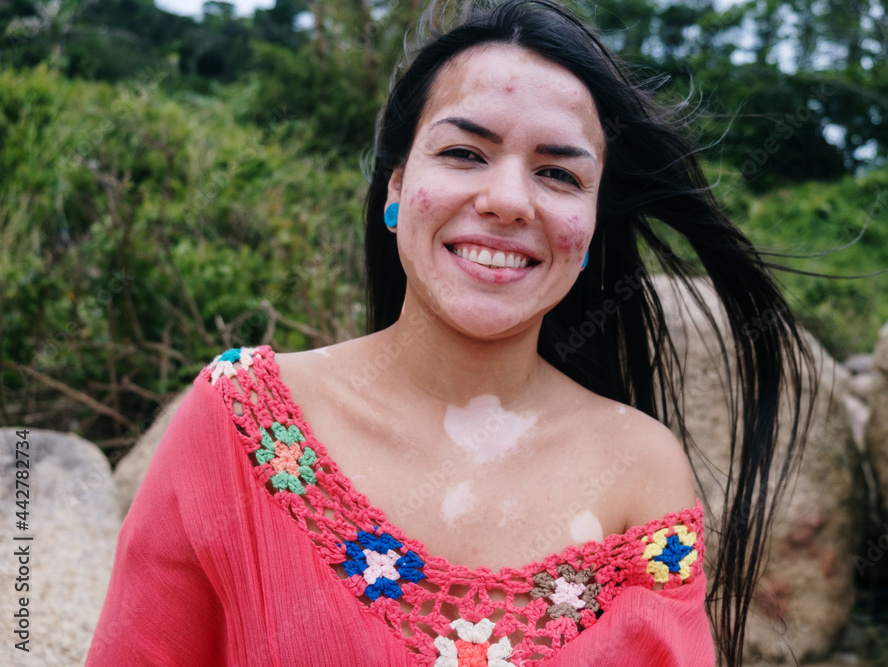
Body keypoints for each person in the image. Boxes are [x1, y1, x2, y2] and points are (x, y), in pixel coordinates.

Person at [88, 1, 816, 665]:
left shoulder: (640, 474)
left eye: (559, 173)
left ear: (590, 228)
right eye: (465, 153)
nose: (506, 200)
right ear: (397, 190)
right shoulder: (242, 419)